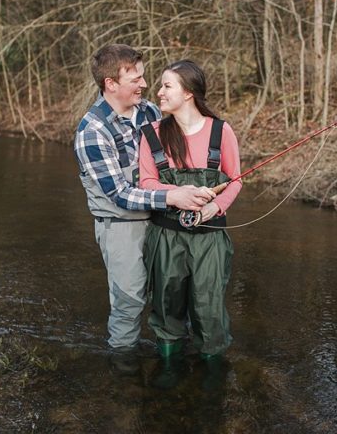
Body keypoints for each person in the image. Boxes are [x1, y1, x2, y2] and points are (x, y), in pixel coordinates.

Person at [74, 45, 215, 375]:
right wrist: (173, 197)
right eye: (135, 77)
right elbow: (120, 195)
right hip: (120, 226)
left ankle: (179, 363)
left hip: (163, 219)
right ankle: (123, 373)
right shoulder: (91, 132)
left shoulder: (150, 112)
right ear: (111, 83)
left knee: (174, 293)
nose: (144, 83)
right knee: (130, 303)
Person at [138, 60, 242, 367]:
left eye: (167, 86)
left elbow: (235, 180)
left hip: (209, 239)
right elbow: (147, 182)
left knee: (208, 309)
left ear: (188, 93)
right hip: (165, 238)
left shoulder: (221, 131)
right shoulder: (151, 133)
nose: (158, 92)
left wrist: (215, 206)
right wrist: (175, 196)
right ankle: (168, 371)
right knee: (166, 307)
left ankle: (212, 378)